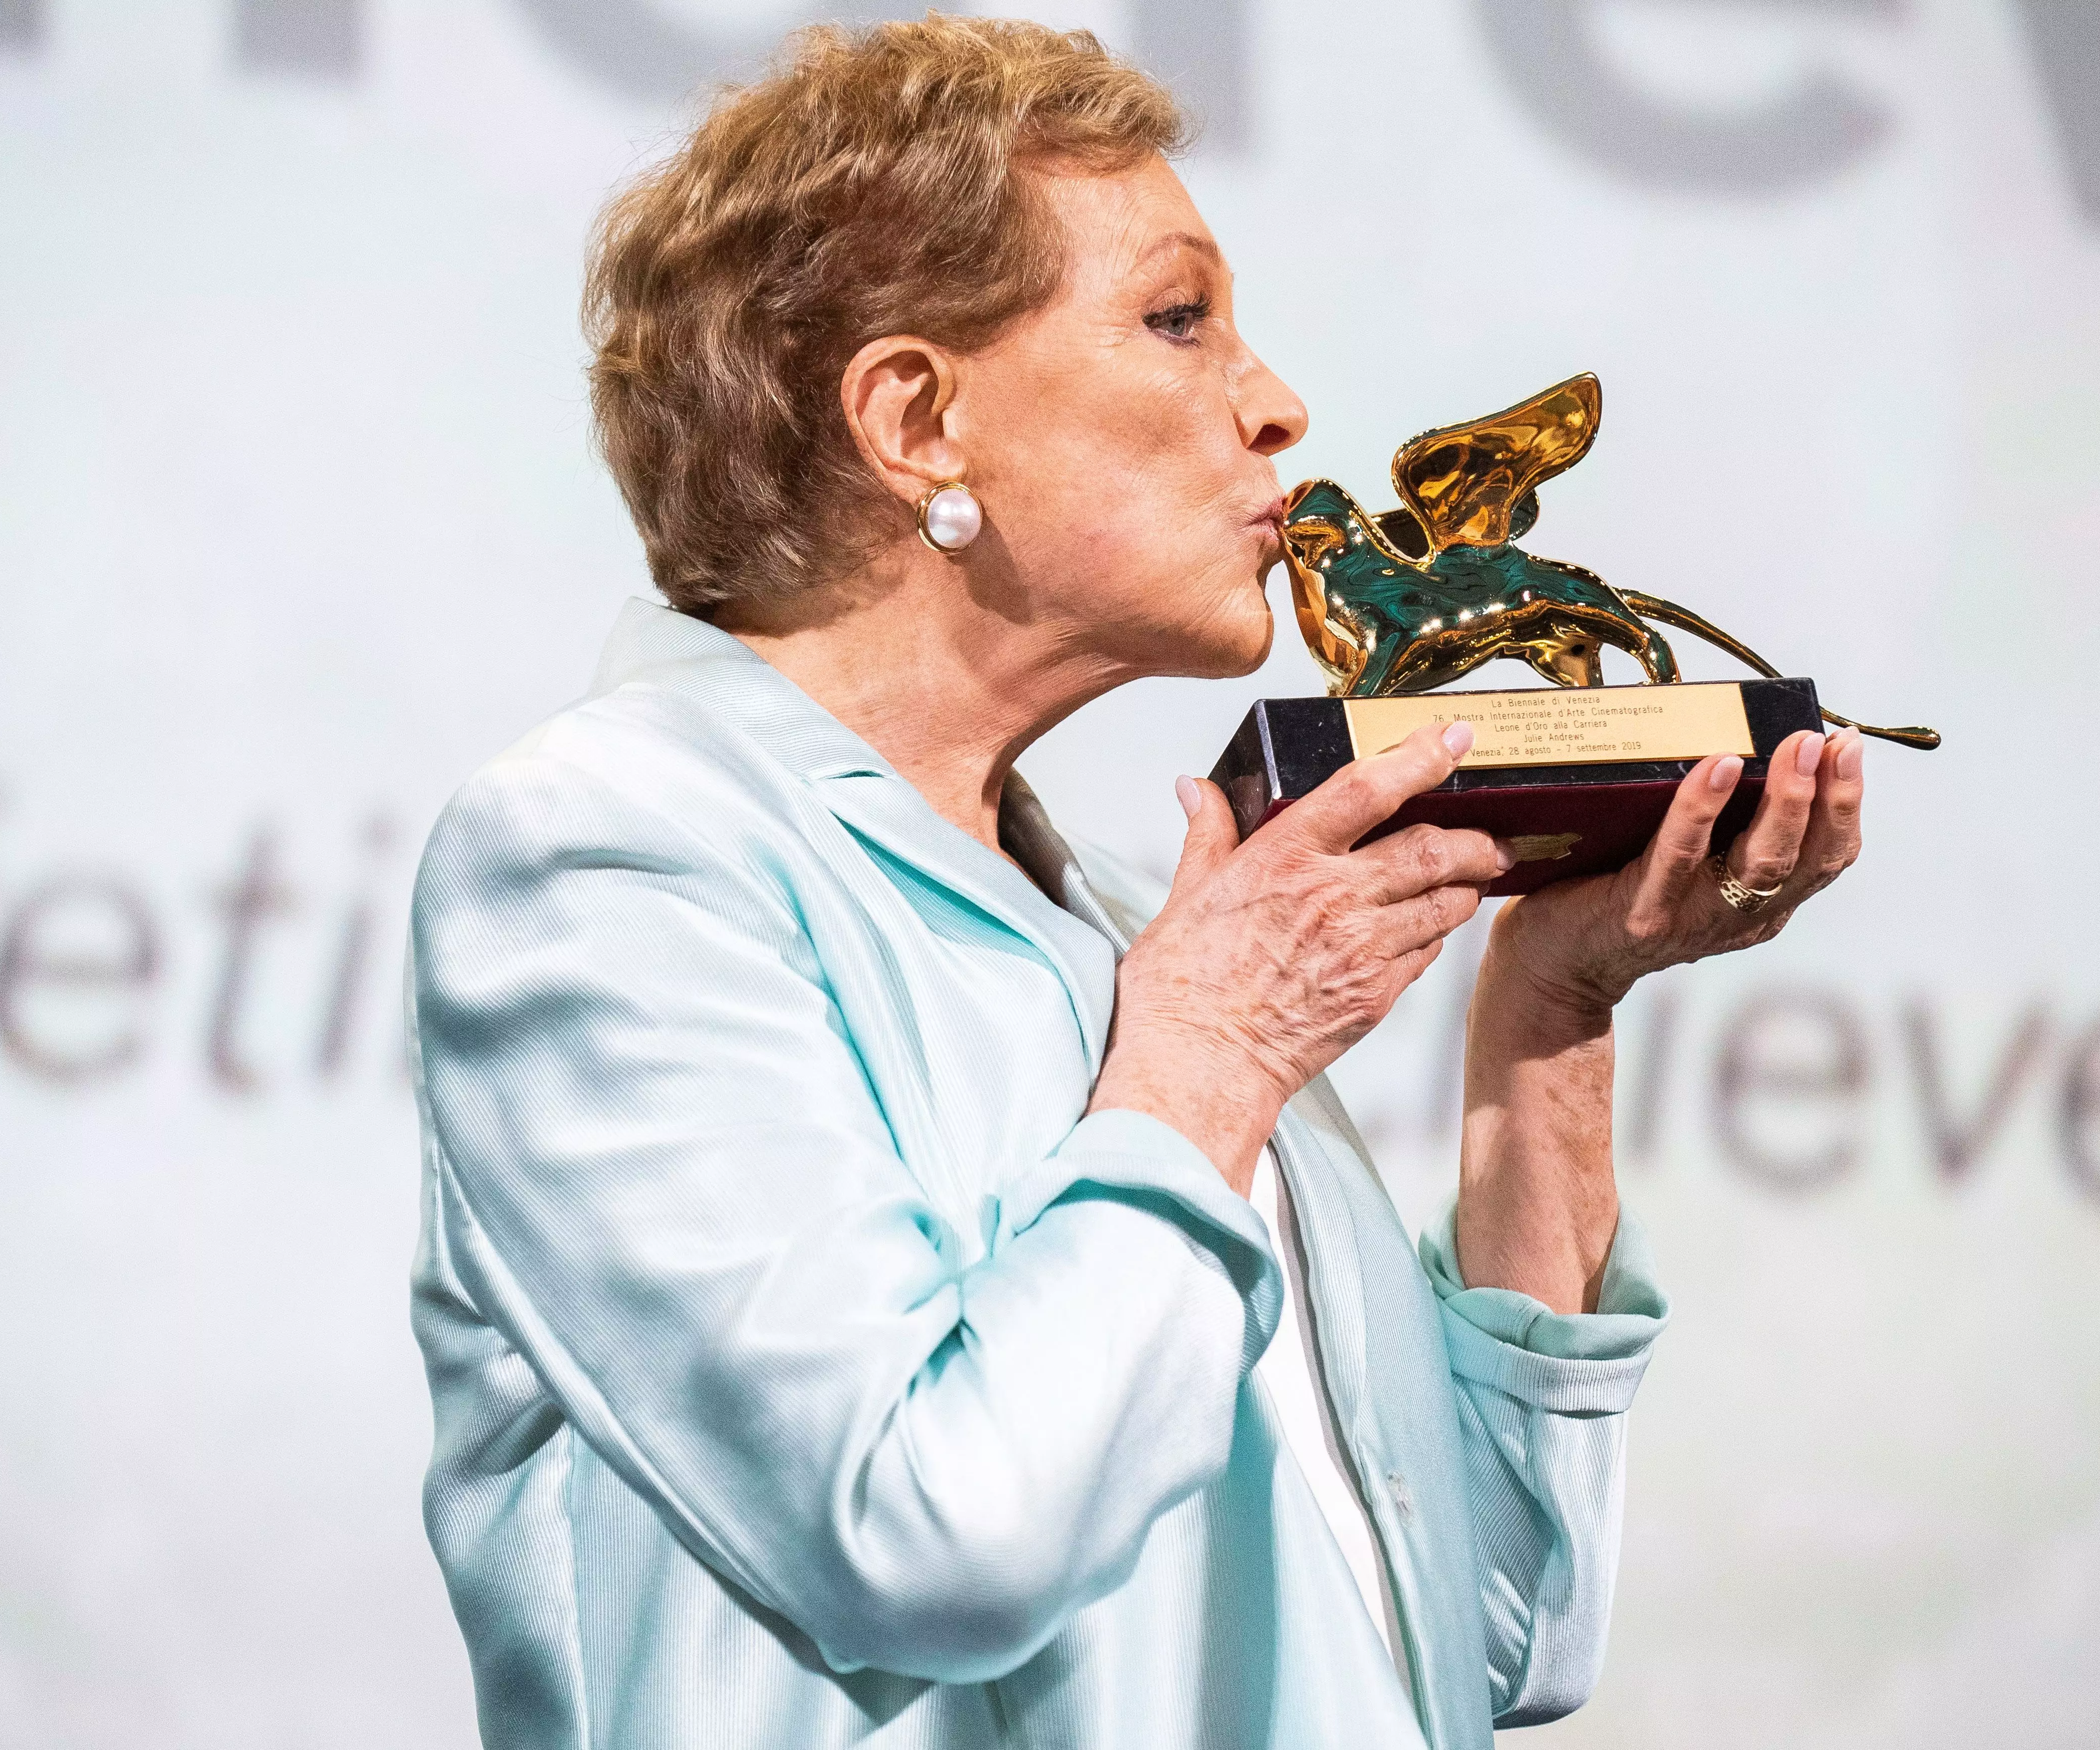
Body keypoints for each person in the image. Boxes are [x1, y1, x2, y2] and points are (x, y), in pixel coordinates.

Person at [406, 18, 1864, 1750]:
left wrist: (1550, 1011)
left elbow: (1494, 1633)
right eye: (1180, 317)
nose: (1276, 405)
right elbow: (928, 1532)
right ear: (916, 416)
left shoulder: (1135, 934)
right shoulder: (611, 858)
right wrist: (1214, 1054)